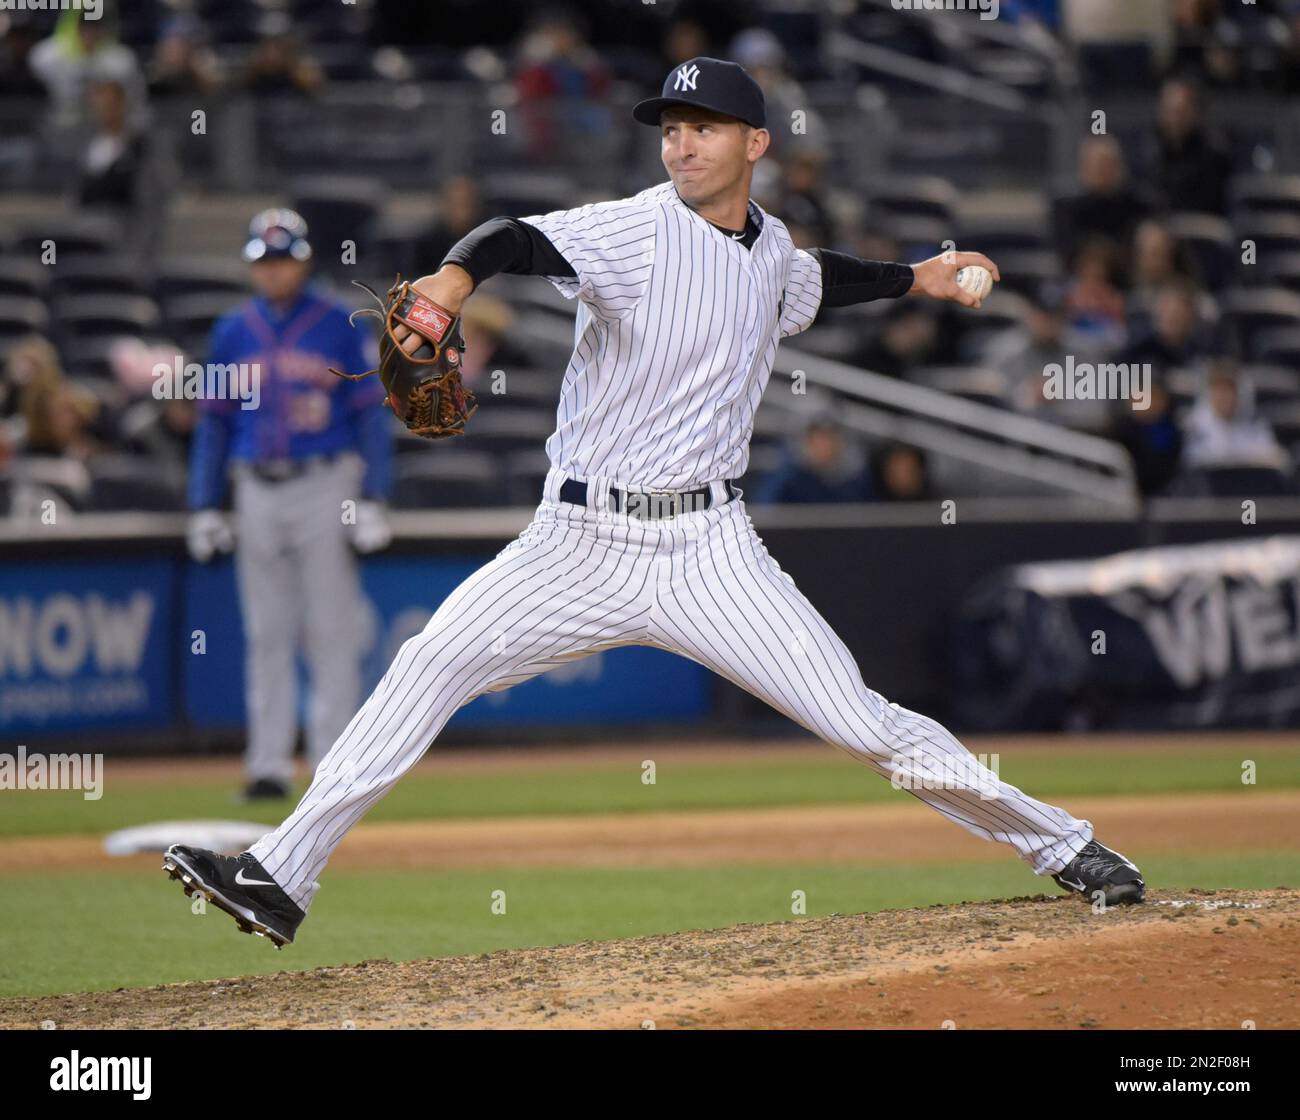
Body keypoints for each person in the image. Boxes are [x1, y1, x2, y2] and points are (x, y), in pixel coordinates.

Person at [164, 58, 1144, 948]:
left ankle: (1064, 846)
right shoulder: (633, 230)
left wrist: (917, 276)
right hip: (577, 540)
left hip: (709, 548)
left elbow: (809, 281)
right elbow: (514, 236)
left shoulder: (772, 251)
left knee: (863, 722)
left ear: (755, 143)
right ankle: (281, 874)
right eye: (669, 125)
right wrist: (454, 277)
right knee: (429, 661)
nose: (679, 141)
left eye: (703, 125)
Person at [184, 209, 395, 803]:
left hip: (324, 482)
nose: (275, 270)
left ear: (303, 259)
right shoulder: (232, 330)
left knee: (330, 630)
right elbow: (213, 424)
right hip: (255, 486)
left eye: (284, 259)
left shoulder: (336, 322)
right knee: (267, 632)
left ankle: (335, 767)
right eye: (265, 261)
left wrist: (375, 496)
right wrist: (204, 504)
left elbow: (368, 415)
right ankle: (268, 765)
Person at [755, 414, 874, 504]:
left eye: (830, 438)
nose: (825, 446)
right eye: (819, 440)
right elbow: (766, 515)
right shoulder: (787, 480)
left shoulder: (854, 481)